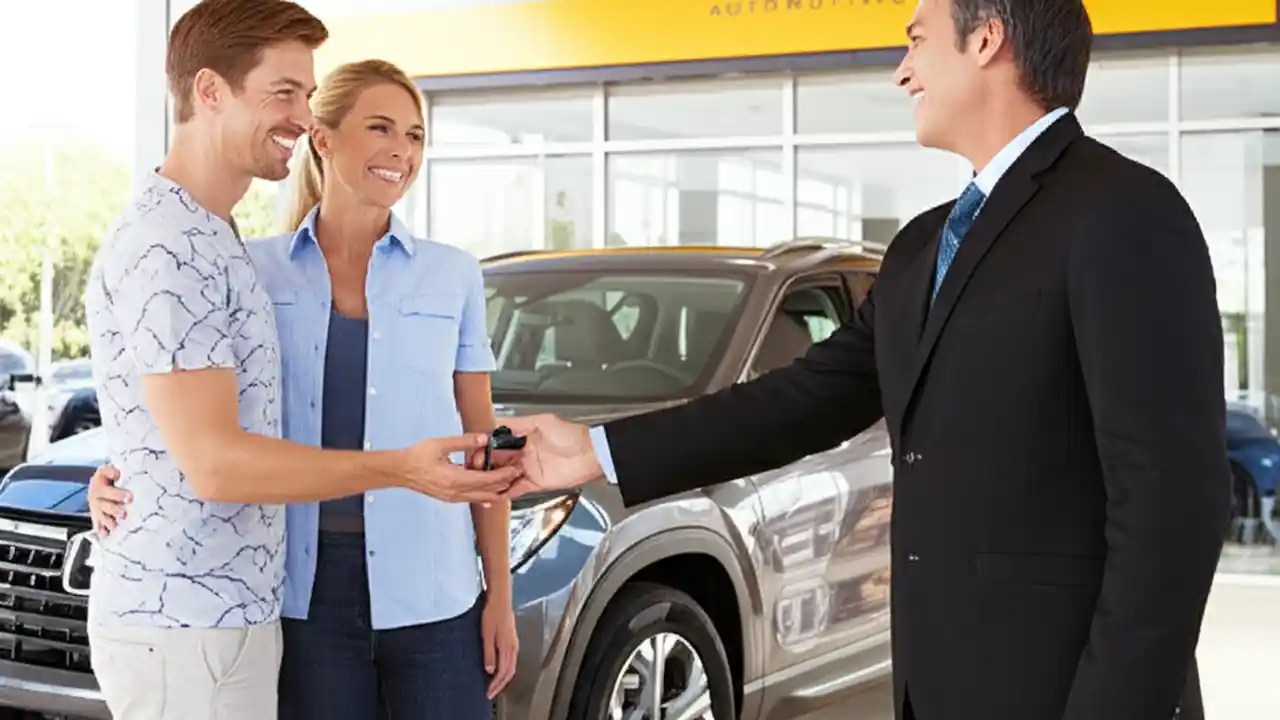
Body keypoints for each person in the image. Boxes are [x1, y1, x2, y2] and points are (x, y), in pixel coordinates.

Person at [494, 1, 1232, 719]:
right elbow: (802, 401)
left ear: (987, 40)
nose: (902, 71)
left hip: (1060, 690)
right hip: (934, 687)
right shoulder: (923, 247)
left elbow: (1173, 509)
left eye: (917, 40)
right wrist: (594, 451)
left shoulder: (1124, 212)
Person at [81, 2, 518, 719]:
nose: (401, 150)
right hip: (284, 597)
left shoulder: (446, 274)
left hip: (420, 587)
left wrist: (499, 590)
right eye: (380, 127)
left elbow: (484, 444)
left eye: (415, 135)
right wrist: (121, 472)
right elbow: (196, 435)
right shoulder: (240, 261)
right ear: (324, 139)